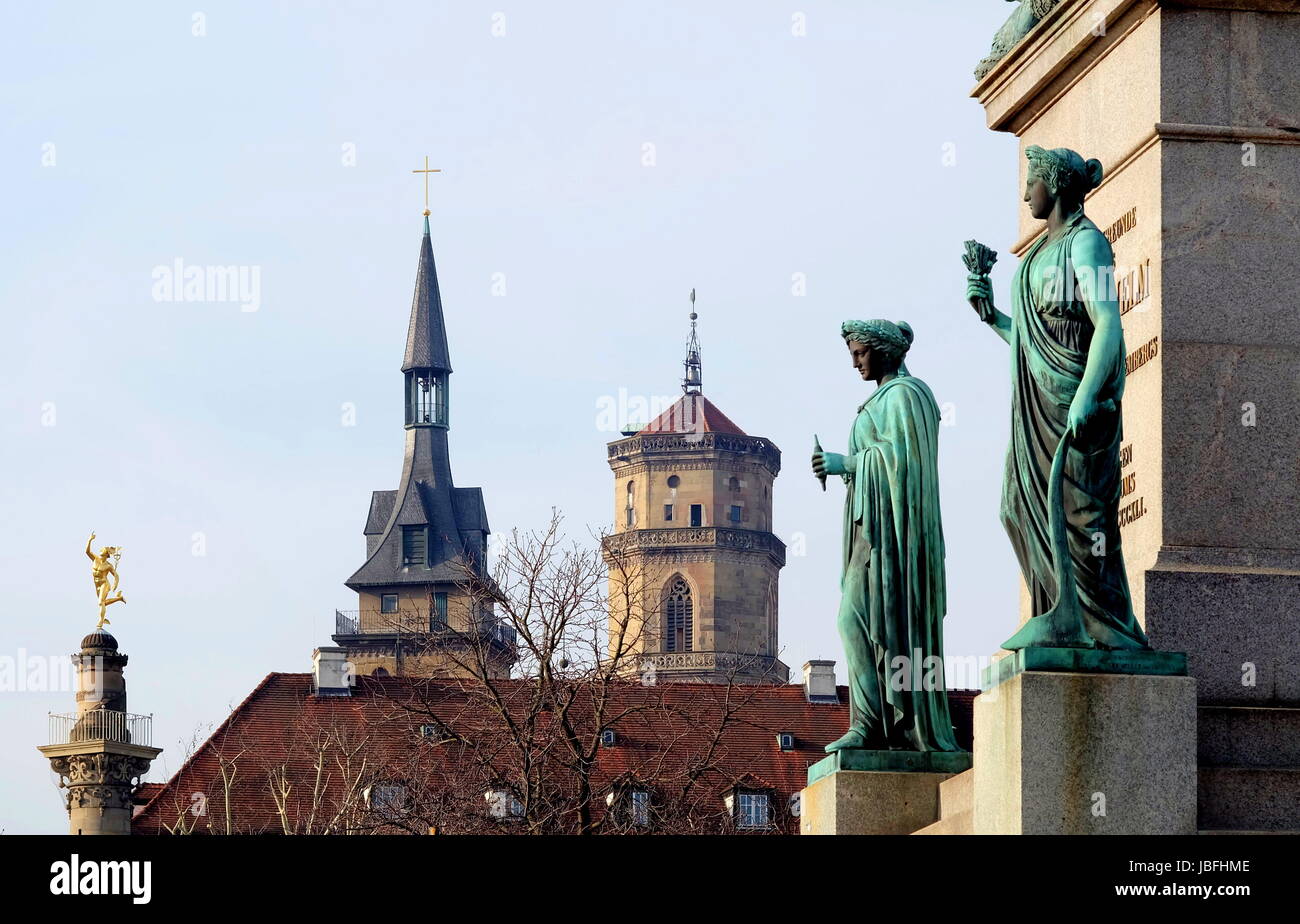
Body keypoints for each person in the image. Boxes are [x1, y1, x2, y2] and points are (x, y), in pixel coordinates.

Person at [966, 145, 1149, 650]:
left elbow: (1108, 322)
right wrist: (993, 318)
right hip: (1038, 409)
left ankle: (1104, 626)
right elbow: (1030, 341)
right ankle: (1056, 609)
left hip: (1075, 400)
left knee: (1082, 515)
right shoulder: (1033, 261)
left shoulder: (1087, 246)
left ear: (1056, 186)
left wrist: (1089, 393)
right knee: (1014, 506)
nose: (1026, 193)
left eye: (1032, 183)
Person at [812, 320, 960, 752]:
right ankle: (869, 722)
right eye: (852, 355)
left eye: (860, 353)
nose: (855, 362)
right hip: (868, 532)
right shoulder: (880, 399)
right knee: (852, 619)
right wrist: (845, 467)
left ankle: (878, 725)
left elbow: (906, 466)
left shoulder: (907, 397)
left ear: (885, 351)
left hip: (897, 539)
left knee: (859, 620)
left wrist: (849, 463)